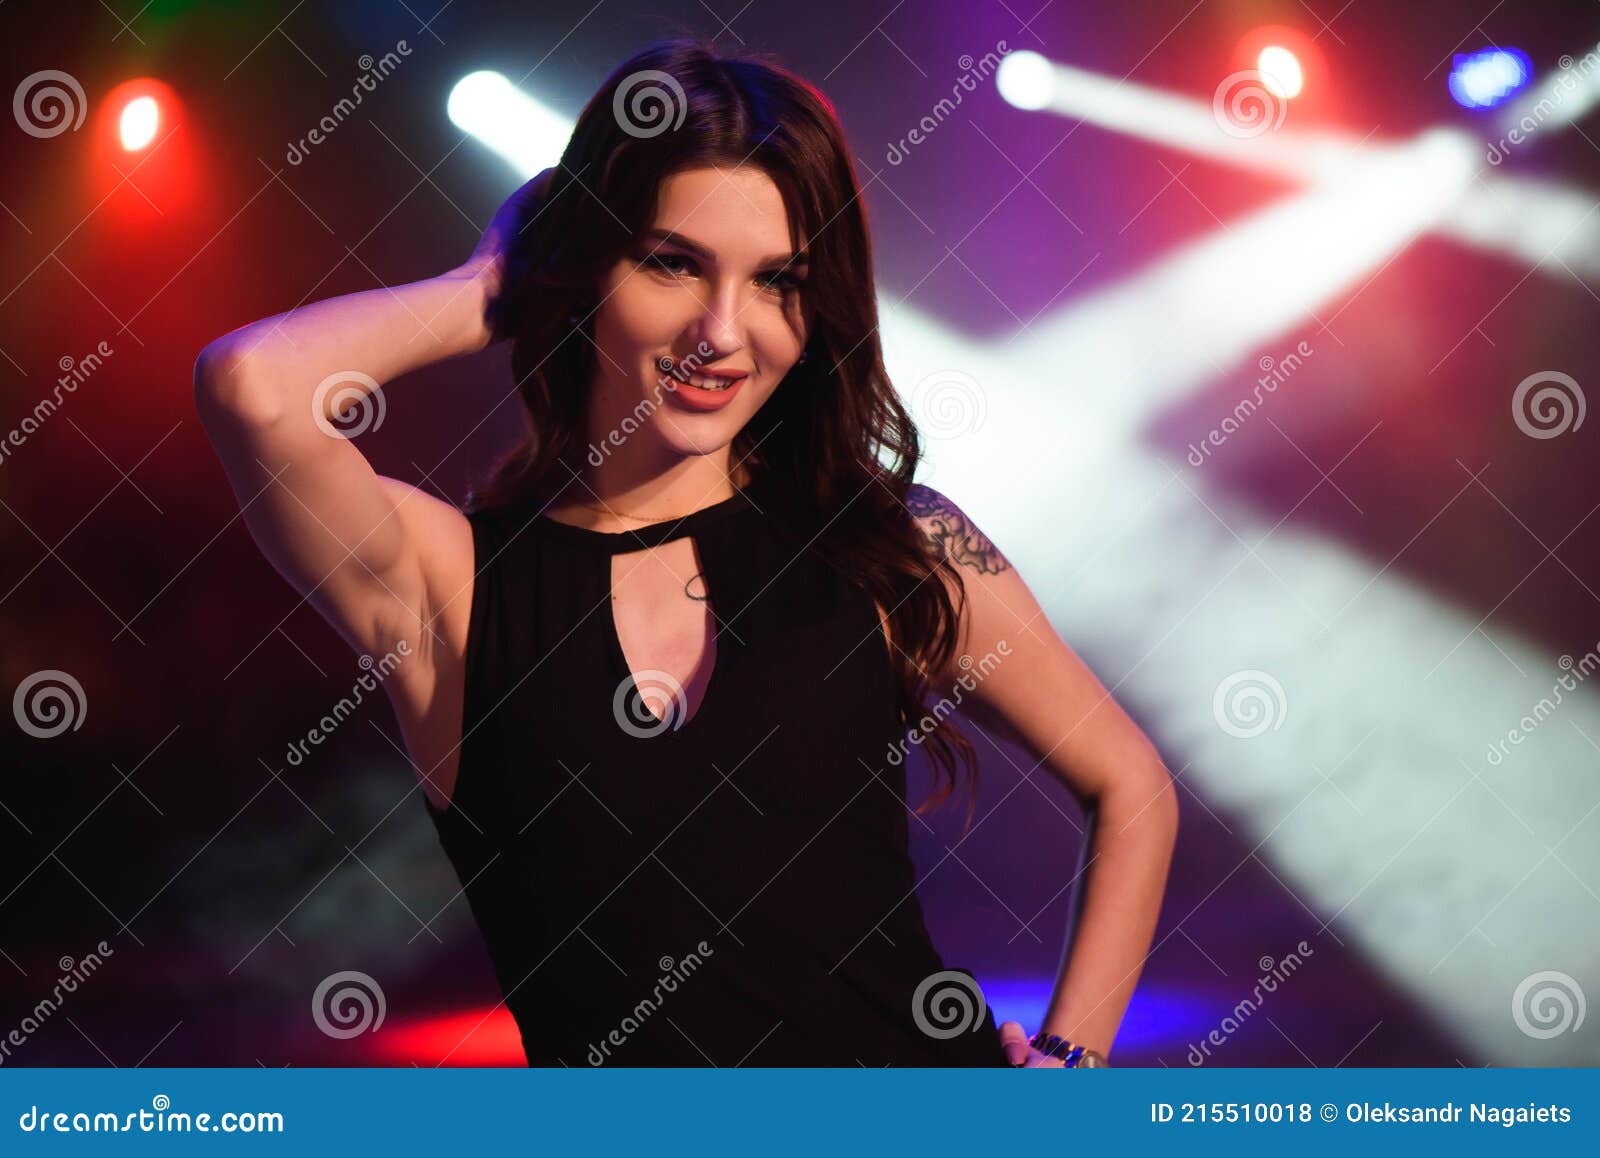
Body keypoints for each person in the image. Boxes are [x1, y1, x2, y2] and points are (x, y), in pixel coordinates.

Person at [193, 37, 1178, 1067]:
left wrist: (1073, 1071)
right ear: (585, 269)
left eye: (777, 281)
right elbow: (254, 388)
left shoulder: (896, 546)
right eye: (672, 263)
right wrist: (494, 282)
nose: (723, 330)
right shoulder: (457, 587)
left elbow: (1131, 787)